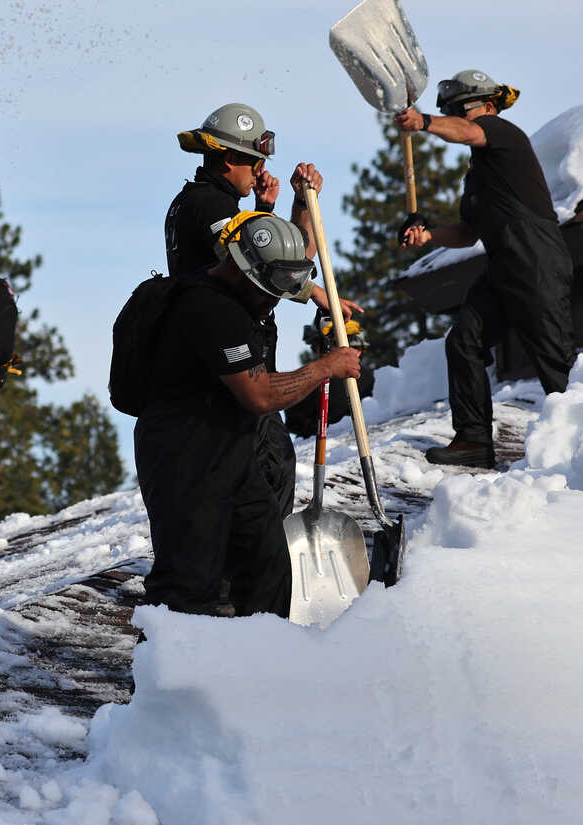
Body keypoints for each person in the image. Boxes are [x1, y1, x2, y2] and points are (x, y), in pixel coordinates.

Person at [136, 211, 362, 618]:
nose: (275, 299)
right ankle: (161, 679)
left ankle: (259, 668)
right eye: (269, 289)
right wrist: (326, 367)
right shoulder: (211, 310)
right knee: (186, 588)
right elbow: (258, 395)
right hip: (183, 460)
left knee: (267, 563)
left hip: (230, 455)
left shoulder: (237, 292)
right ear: (242, 272)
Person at [166, 102, 362, 515]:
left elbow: (282, 259)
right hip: (233, 372)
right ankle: (260, 573)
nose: (259, 170)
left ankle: (253, 569)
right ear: (227, 158)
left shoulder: (199, 202)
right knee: (270, 470)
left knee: (265, 471)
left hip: (217, 371)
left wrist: (288, 208)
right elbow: (260, 270)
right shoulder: (210, 207)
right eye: (253, 161)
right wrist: (314, 293)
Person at [396, 71, 575, 468]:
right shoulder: (478, 176)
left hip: (536, 263)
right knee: (464, 341)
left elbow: (467, 132)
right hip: (502, 267)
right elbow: (465, 234)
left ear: (488, 106)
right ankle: (474, 440)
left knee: (555, 364)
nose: (460, 117)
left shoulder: (503, 135)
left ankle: (576, 446)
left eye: (463, 109)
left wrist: (424, 122)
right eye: (453, 112)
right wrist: (427, 237)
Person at [284, 316, 376, 439]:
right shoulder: (377, 382)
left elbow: (293, 422)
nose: (316, 352)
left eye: (317, 345)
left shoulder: (313, 380)